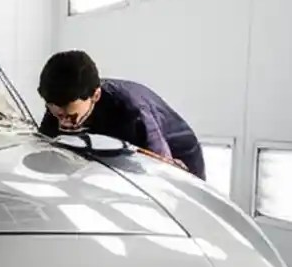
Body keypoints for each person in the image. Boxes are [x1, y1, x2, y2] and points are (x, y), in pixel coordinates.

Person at [35, 50, 205, 180]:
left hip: (178, 156)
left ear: (96, 96)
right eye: (57, 114)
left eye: (71, 117)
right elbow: (43, 148)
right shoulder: (61, 103)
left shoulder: (132, 112)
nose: (63, 124)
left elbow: (161, 169)